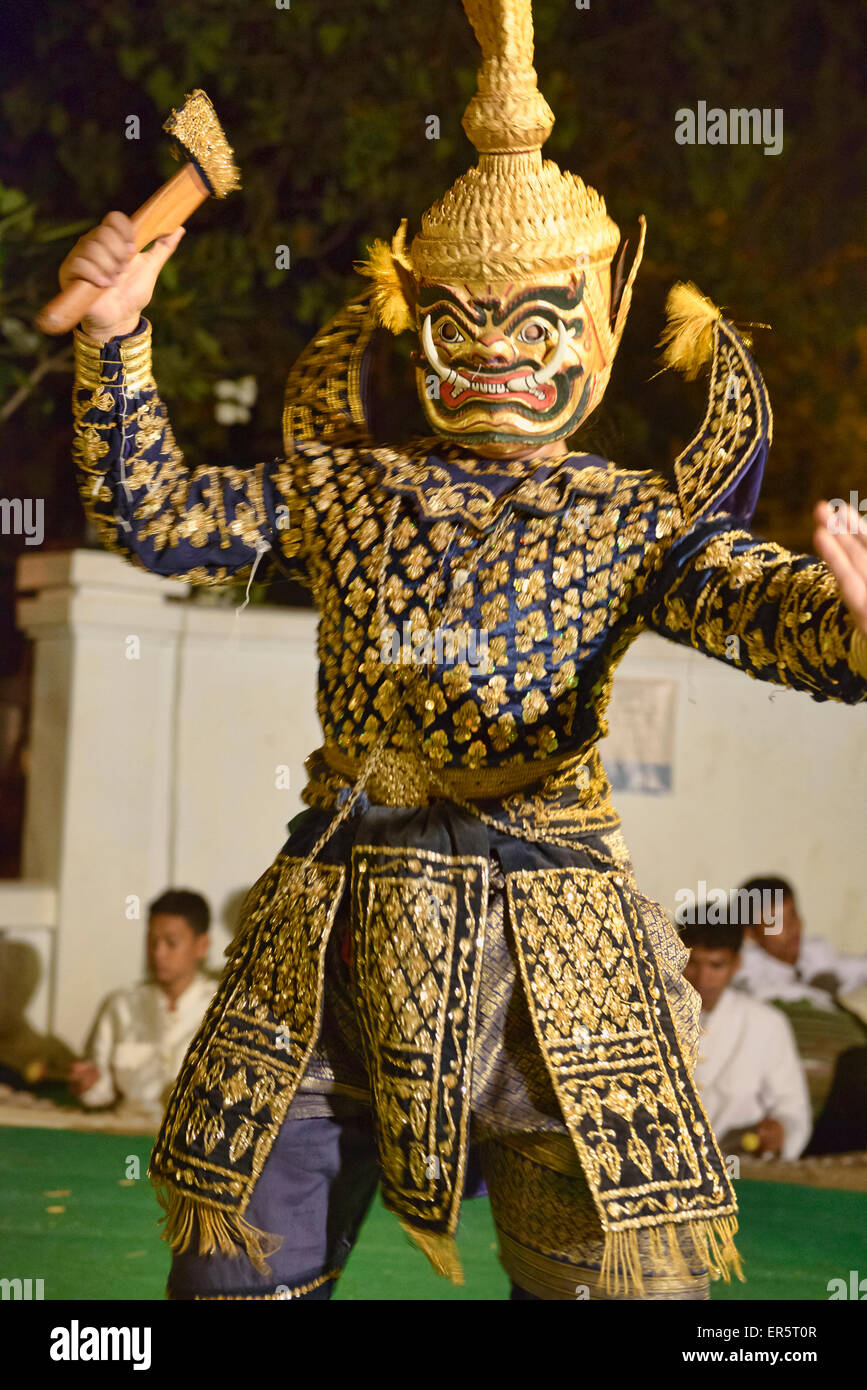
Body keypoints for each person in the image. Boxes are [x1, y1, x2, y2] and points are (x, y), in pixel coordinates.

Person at [59, 0, 867, 1301]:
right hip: (332, 929)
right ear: (413, 319)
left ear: (595, 329)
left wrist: (848, 626)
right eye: (461, 323)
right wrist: (117, 341)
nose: (494, 349)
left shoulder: (626, 513)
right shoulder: (346, 487)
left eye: (533, 324)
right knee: (227, 1276)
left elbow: (751, 601)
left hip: (562, 960)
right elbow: (153, 511)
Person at [69, 889, 215, 1116]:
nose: (158, 953)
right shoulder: (121, 1006)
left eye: (171, 943)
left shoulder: (225, 1011)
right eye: (152, 942)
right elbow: (101, 1092)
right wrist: (89, 1083)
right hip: (126, 1135)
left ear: (202, 946)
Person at [680, 920, 810, 1160]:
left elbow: (793, 1111)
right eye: (692, 963)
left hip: (740, 1169)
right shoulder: (647, 1015)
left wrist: (779, 1132)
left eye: (716, 966)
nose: (702, 978)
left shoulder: (767, 1023)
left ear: (736, 964)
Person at [733, 875, 867, 1009]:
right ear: (749, 933)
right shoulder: (747, 970)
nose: (791, 927)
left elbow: (851, 967)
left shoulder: (812, 951)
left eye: (792, 915)